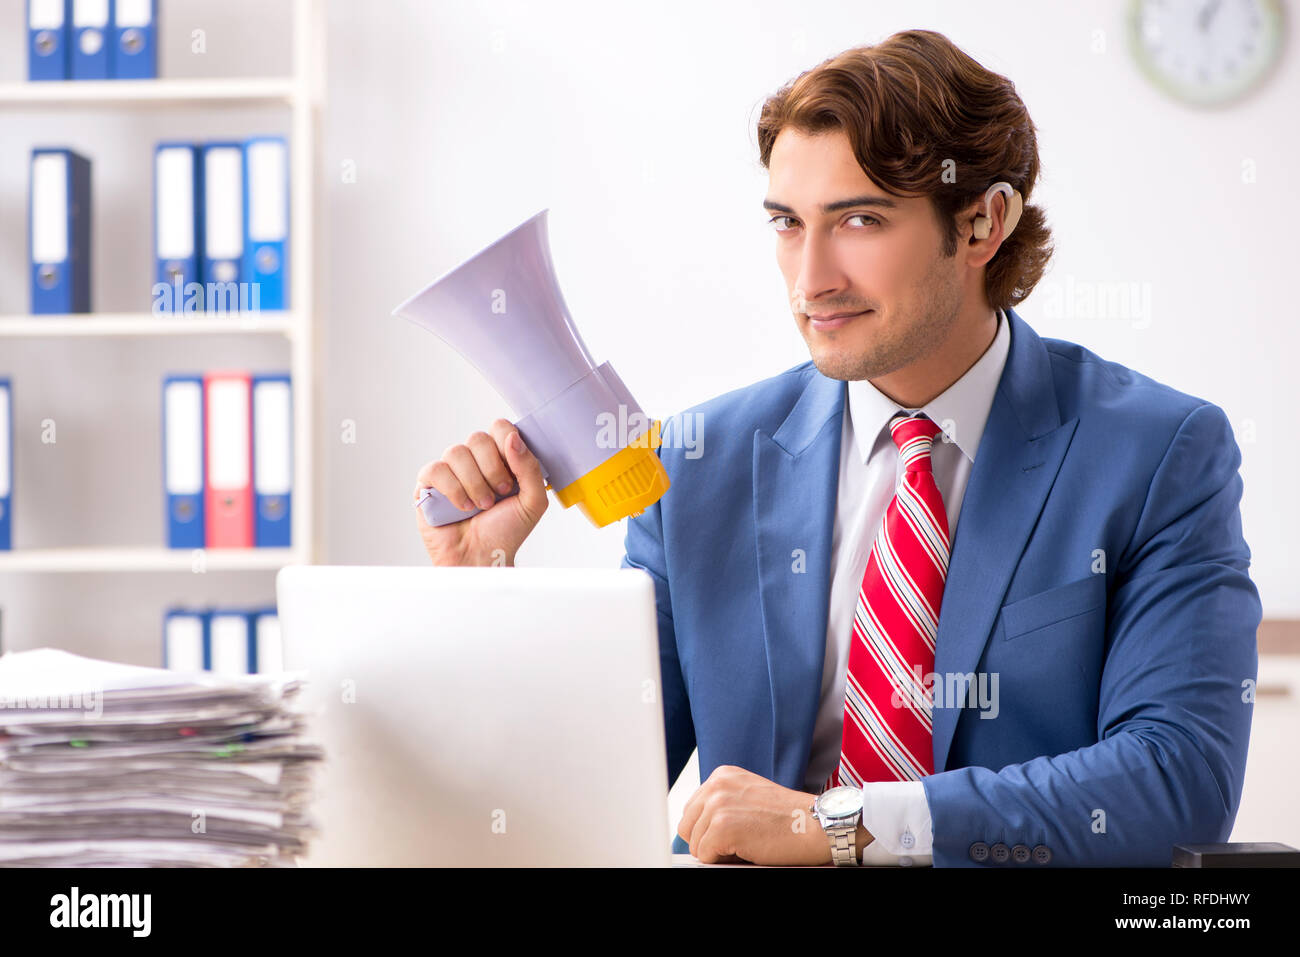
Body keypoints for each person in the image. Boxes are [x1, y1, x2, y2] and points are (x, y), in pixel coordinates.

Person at [413, 29, 1260, 867]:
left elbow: (1175, 782)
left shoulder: (1156, 454)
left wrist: (842, 827)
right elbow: (590, 782)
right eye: (787, 223)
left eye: (859, 219)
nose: (810, 278)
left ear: (982, 222)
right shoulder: (700, 465)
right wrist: (479, 595)